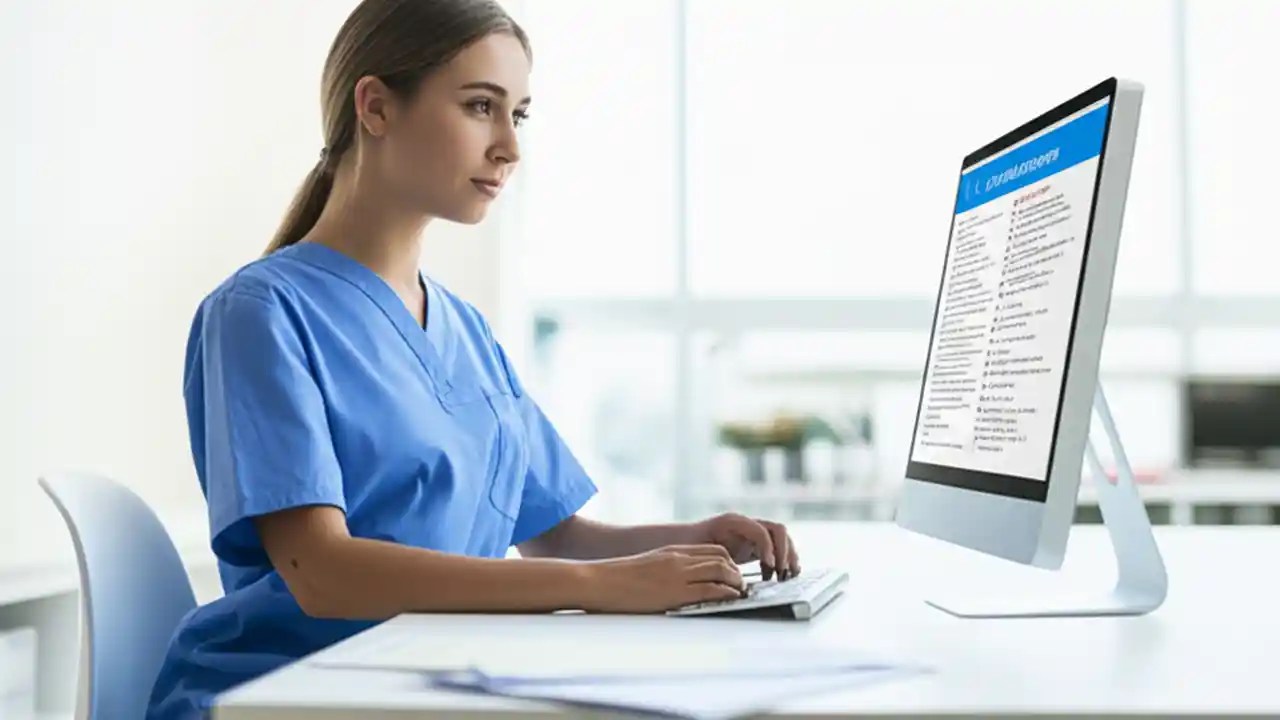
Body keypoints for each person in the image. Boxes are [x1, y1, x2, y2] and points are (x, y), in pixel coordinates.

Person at [147, 1, 801, 717]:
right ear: (375, 107)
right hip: (287, 693)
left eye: (518, 115)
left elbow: (555, 538)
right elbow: (322, 571)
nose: (509, 148)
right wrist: (605, 586)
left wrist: (692, 543)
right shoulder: (261, 313)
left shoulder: (465, 330)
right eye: (480, 107)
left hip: (439, 682)